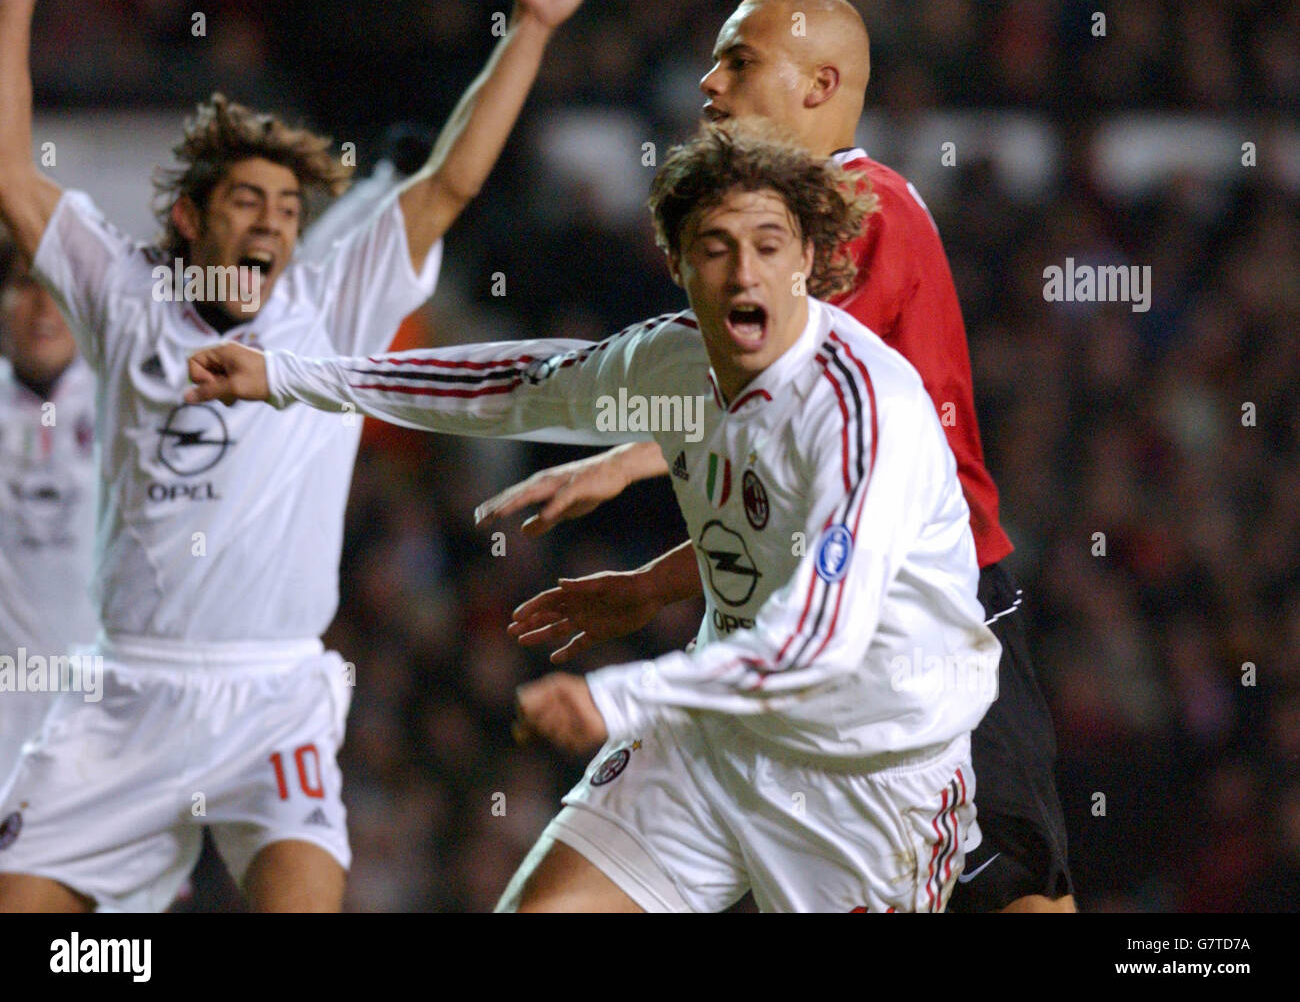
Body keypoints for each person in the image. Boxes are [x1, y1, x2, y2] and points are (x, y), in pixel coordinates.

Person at [186, 122, 1001, 913]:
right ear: (680, 263)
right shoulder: (677, 360)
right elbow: (518, 385)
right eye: (716, 247)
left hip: (866, 776)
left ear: (811, 260)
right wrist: (287, 374)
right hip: (712, 739)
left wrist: (622, 698)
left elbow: (817, 641)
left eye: (769, 244)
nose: (744, 274)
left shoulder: (863, 412)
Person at [0, 0, 614, 912]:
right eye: (247, 201)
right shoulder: (122, 291)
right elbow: (13, 177)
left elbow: (449, 180)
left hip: (271, 694)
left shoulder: (329, 306)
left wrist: (531, 28)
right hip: (124, 690)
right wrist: (16, 1)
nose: (273, 224)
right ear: (192, 219)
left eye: (288, 210)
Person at [475, 0, 1075, 912]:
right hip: (795, 616)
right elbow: (778, 497)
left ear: (820, 85)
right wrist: (650, 584)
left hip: (927, 618)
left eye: (739, 61)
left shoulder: (863, 209)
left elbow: (776, 405)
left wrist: (631, 461)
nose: (709, 83)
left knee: (1015, 900)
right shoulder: (780, 225)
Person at [0, 233, 97, 789]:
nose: (42, 309)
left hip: (100, 713)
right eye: (24, 286)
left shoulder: (127, 402)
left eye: (58, 291)